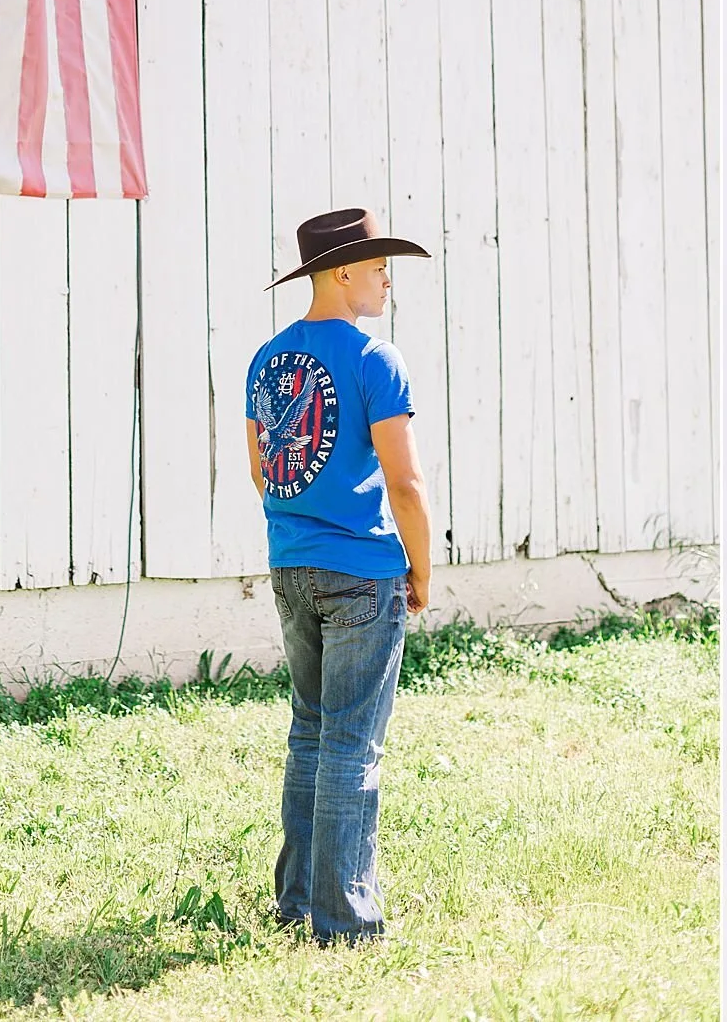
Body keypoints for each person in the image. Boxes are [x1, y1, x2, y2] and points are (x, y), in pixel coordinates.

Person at [248, 207, 436, 943]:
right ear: (341, 272)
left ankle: (297, 901)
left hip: (292, 566)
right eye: (378, 263)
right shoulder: (373, 359)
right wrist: (421, 568)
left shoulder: (267, 359)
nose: (387, 277)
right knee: (353, 743)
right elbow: (406, 482)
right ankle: (344, 921)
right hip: (362, 572)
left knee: (311, 733)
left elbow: (263, 470)